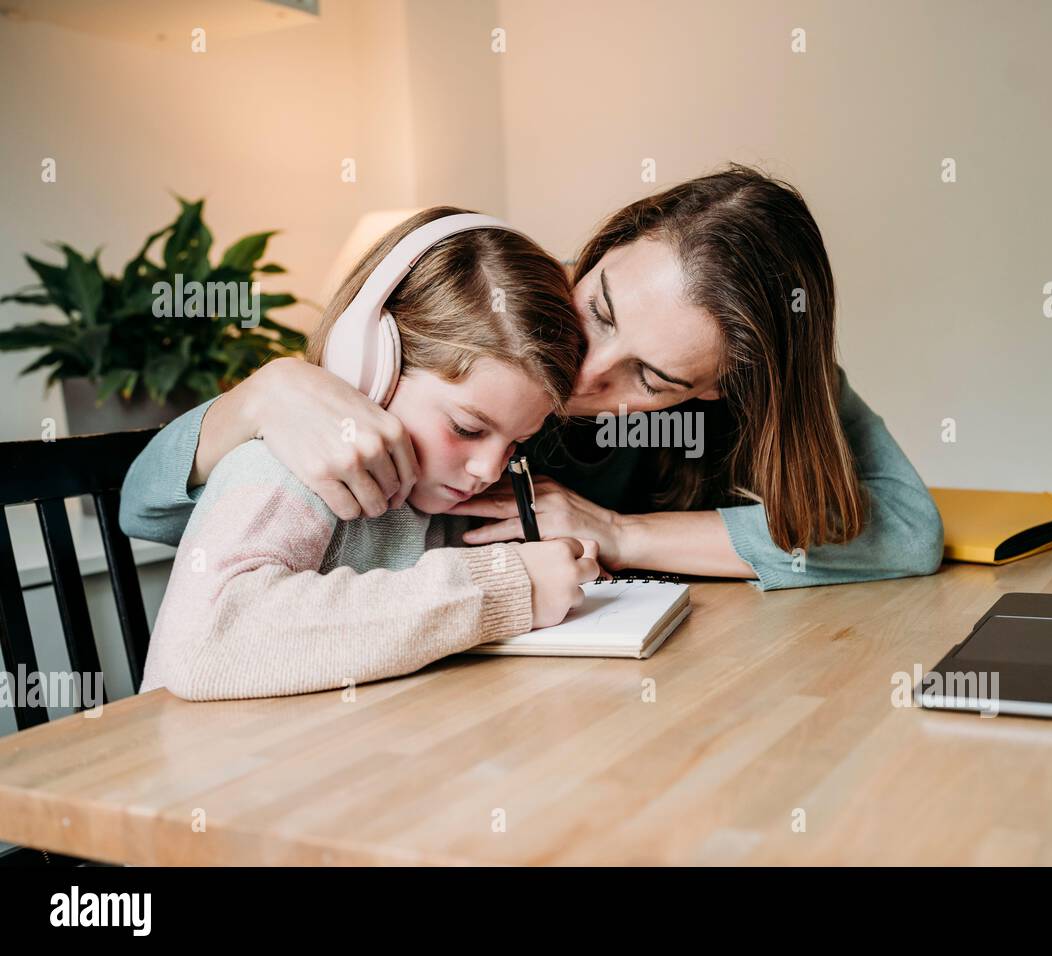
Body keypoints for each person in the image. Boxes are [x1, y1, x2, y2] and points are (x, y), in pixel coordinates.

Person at [122, 165, 943, 592]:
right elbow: (146, 509)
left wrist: (622, 534)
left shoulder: (751, 378)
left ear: (714, 390)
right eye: (602, 308)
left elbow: (906, 532)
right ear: (604, 246)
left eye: (650, 381)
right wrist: (262, 395)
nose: (584, 371)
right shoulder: (492, 327)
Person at [137, 208, 597, 701]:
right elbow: (210, 642)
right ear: (370, 366)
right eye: (466, 428)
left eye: (516, 442)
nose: (489, 468)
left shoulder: (448, 501)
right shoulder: (279, 470)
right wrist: (506, 587)